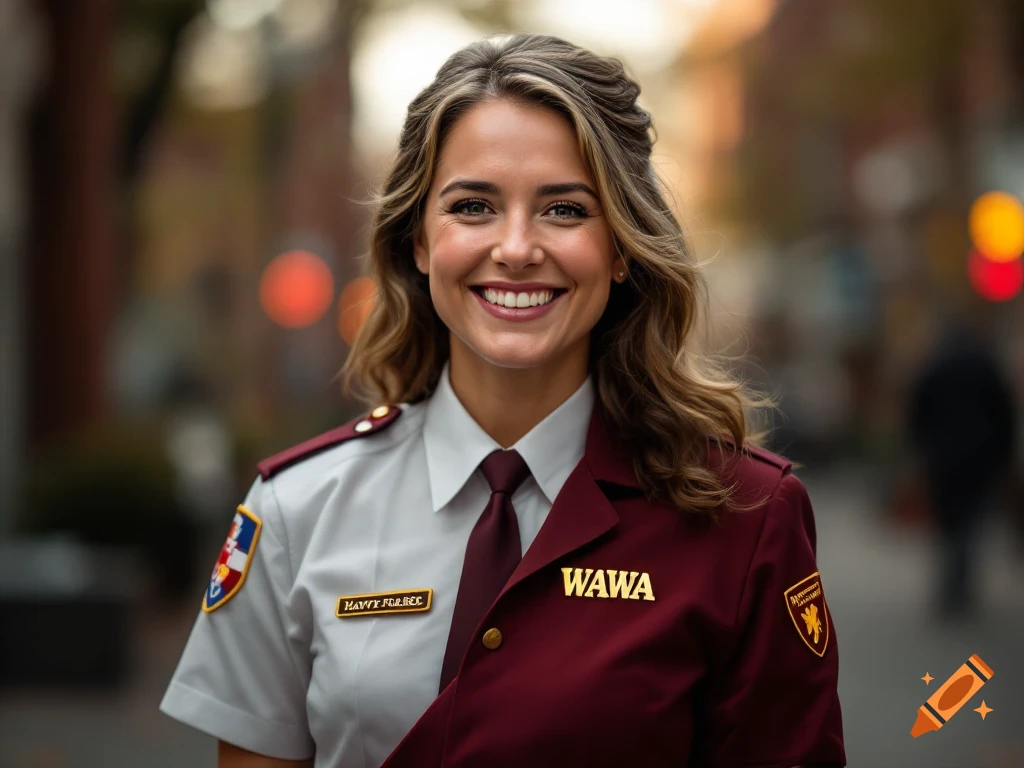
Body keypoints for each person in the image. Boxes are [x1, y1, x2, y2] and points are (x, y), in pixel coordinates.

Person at [160, 33, 846, 768]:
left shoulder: (742, 518)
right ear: (419, 241)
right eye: (474, 205)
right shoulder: (295, 512)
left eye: (564, 210)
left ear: (621, 247)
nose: (516, 247)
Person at [908, 315, 1017, 618]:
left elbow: (918, 411)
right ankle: (961, 585)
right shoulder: (985, 366)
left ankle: (951, 584)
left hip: (942, 458)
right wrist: (1004, 456)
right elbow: (1003, 412)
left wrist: (920, 450)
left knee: (948, 523)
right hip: (979, 457)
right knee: (971, 521)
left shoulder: (935, 367)